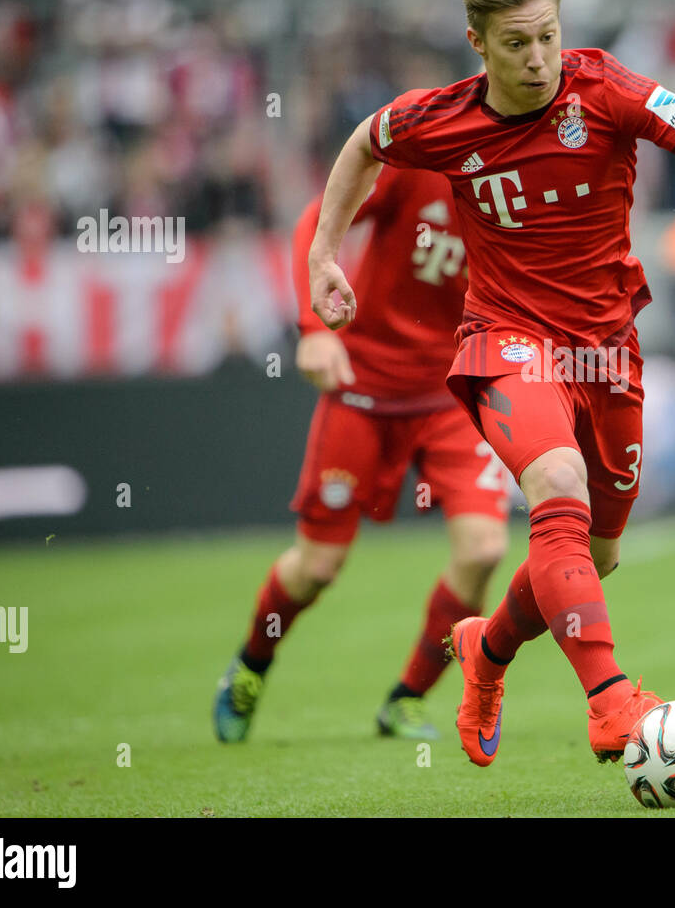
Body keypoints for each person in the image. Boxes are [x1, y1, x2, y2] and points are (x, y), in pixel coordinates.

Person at [307, 0, 675, 766]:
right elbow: (362, 145)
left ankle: (486, 650)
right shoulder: (440, 119)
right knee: (553, 483)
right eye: (516, 42)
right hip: (505, 339)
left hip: (607, 352)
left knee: (595, 554)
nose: (537, 59)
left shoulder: (609, 92)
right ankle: (609, 699)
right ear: (476, 42)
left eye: (548, 36)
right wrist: (323, 255)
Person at [213, 165, 510, 743]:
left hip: (453, 393)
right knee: (317, 566)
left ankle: (406, 700)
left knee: (484, 549)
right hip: (361, 388)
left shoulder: (527, 179)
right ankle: (251, 665)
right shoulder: (418, 158)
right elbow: (317, 218)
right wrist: (313, 327)